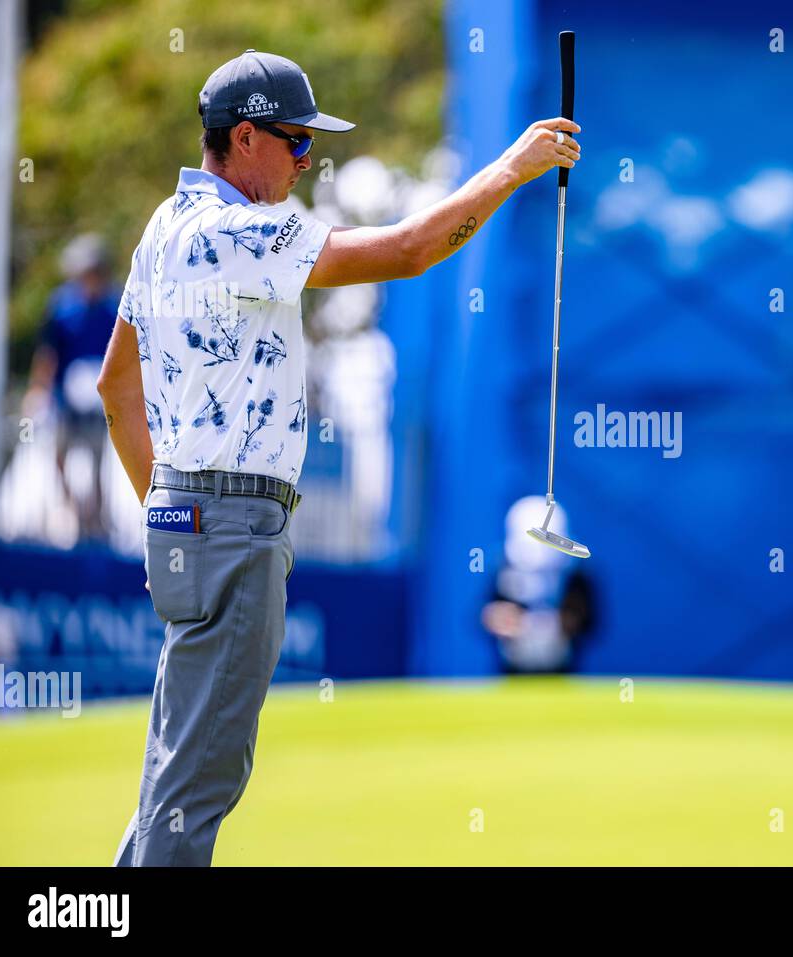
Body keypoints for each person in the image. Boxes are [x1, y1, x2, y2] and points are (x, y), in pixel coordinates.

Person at [97, 50, 581, 866]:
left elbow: (117, 389)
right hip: (233, 524)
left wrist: (166, 512)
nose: (305, 160)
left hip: (180, 518)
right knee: (198, 782)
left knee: (173, 776)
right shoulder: (242, 228)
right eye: (294, 141)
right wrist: (511, 167)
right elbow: (408, 251)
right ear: (243, 137)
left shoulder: (163, 227)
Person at [24, 234, 120, 539]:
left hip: (100, 404)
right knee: (59, 453)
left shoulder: (115, 306)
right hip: (65, 402)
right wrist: (38, 390)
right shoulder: (61, 306)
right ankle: (70, 503)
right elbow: (48, 353)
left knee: (97, 460)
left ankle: (96, 518)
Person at [481, 496, 596, 674]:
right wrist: (495, 617)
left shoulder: (576, 577)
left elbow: (590, 622)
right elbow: (483, 614)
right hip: (512, 670)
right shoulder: (502, 571)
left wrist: (568, 621)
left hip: (564, 670)